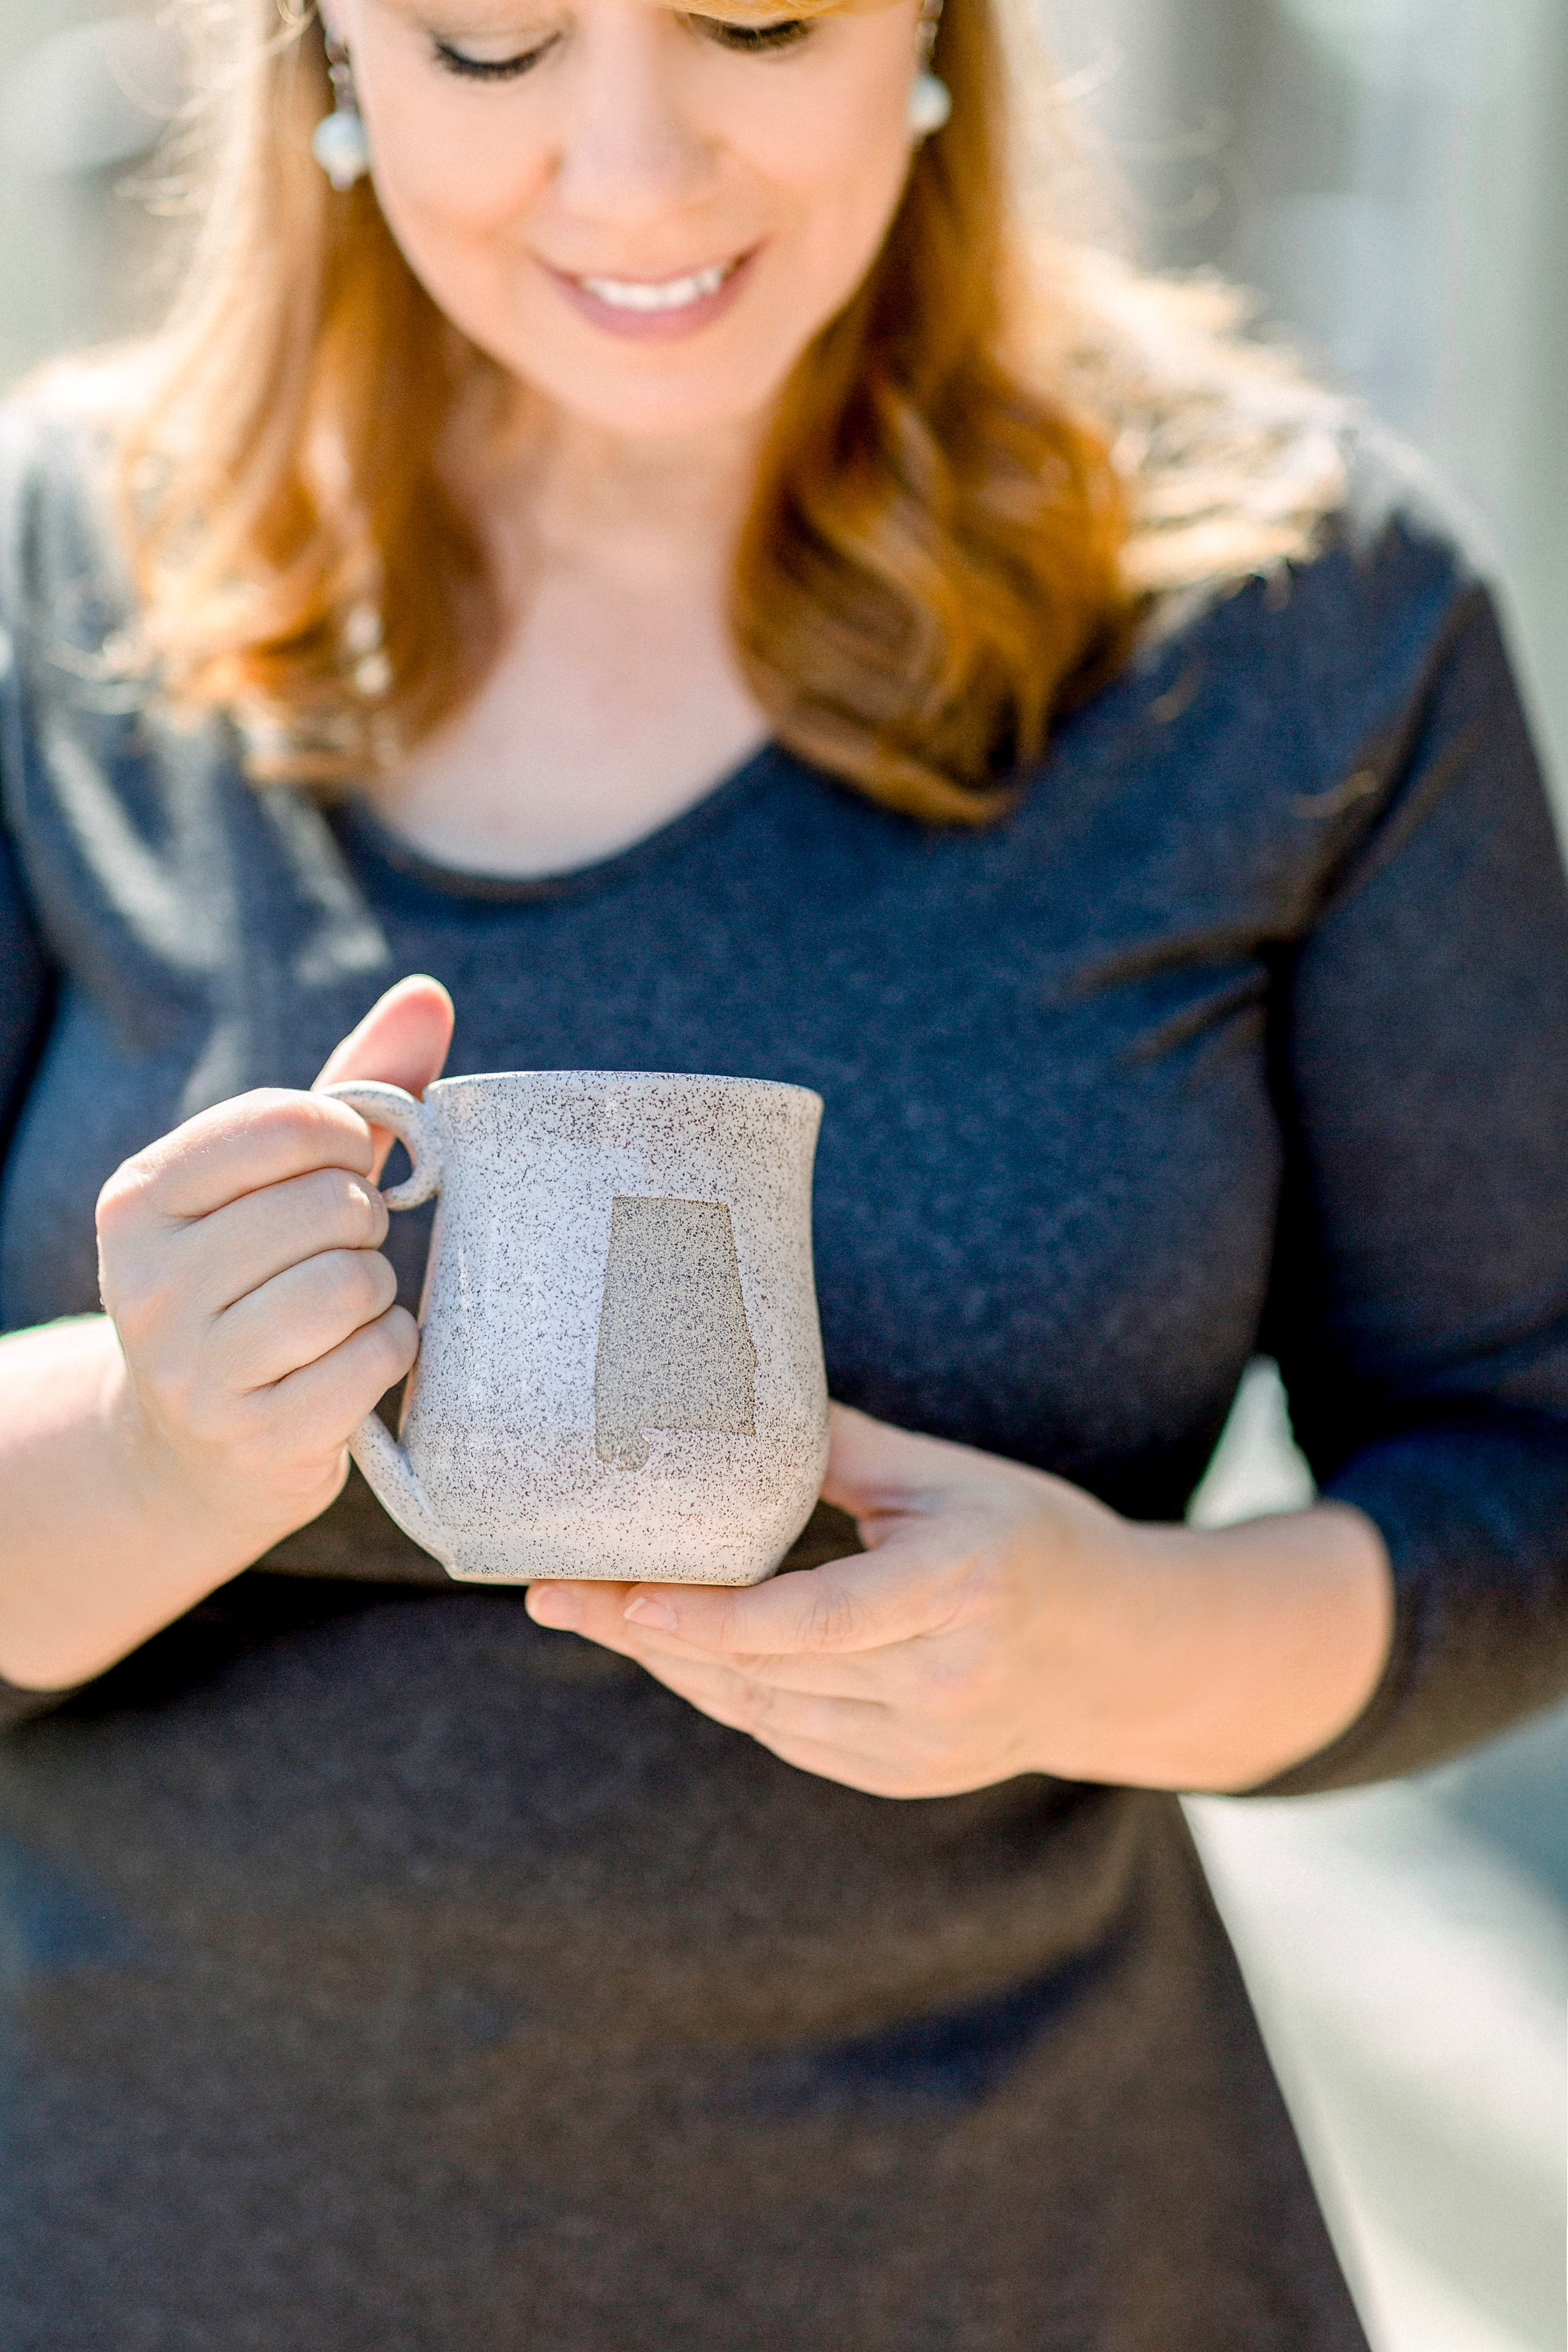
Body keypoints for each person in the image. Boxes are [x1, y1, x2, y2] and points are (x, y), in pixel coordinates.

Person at [1, 0, 1565, 2341]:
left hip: (1016, 2259)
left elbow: (1522, 1489)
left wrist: (1099, 1646)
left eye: (759, 17)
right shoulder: (62, 577)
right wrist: (151, 1452)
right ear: (325, 49)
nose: (635, 177)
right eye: (493, 44)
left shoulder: (1302, 623)